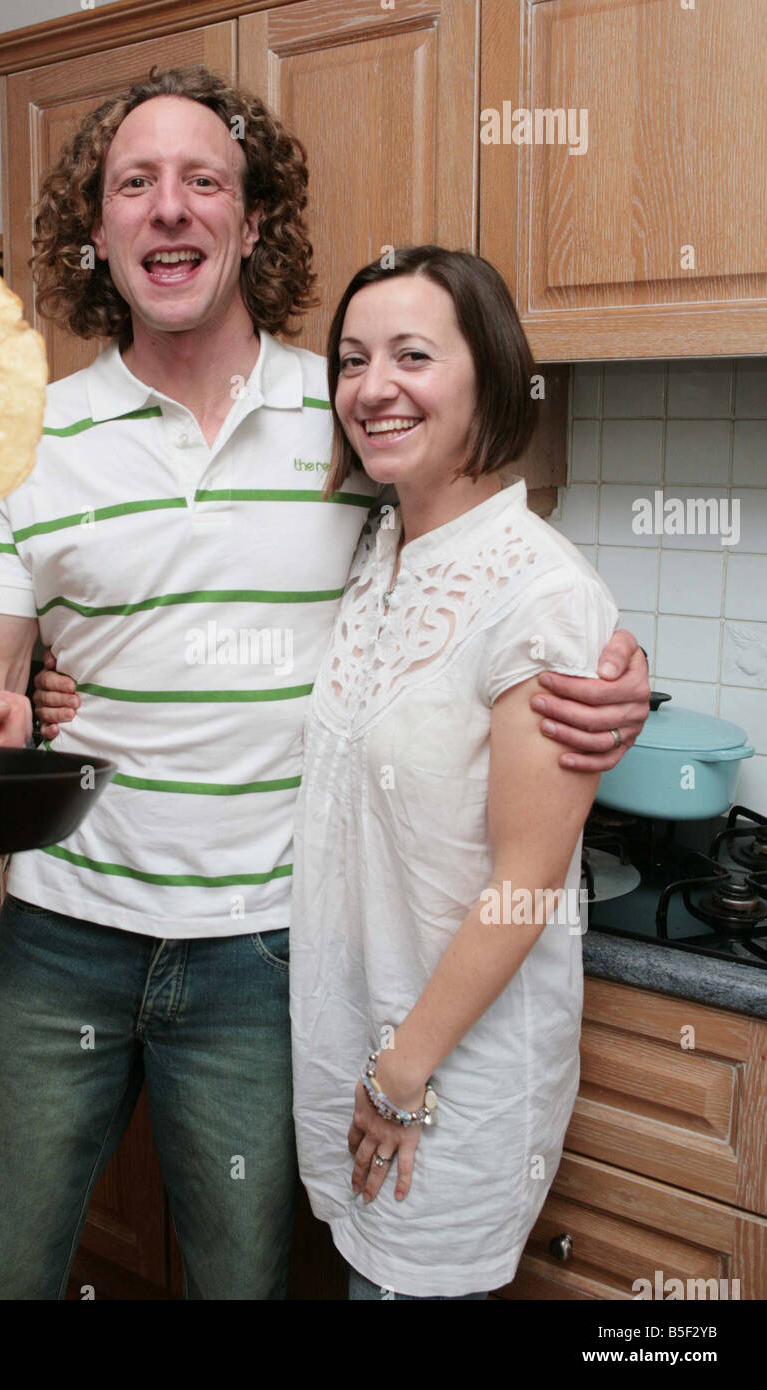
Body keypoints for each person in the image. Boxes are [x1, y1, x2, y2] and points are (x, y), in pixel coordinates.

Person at [0, 67, 649, 1300]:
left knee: (242, 1283)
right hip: (63, 931)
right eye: (133, 185)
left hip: (265, 957)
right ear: (96, 233)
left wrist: (614, 678)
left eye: (203, 180)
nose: (169, 208)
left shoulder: (349, 418)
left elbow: (483, 570)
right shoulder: (26, 442)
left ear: (250, 225)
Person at [287, 245, 619, 1301]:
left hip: (444, 1078)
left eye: (413, 355)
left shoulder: (538, 594)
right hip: (362, 1046)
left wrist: (401, 1073)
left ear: (491, 372)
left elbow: (528, 877)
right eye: (351, 359)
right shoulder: (373, 553)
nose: (373, 386)